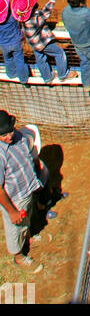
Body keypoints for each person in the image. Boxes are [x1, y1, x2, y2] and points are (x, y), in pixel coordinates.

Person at [0, 110, 50, 272]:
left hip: (26, 190)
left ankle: (28, 237)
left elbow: (29, 154)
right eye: (3, 136)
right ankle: (19, 257)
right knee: (15, 229)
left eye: (9, 132)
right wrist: (11, 211)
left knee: (27, 218)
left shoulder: (19, 136)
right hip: (13, 199)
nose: (8, 137)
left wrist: (37, 167)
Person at [12, 0, 75, 85]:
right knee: (59, 53)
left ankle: (47, 77)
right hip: (43, 43)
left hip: (33, 43)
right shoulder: (37, 17)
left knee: (40, 58)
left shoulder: (21, 20)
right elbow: (48, 9)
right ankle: (63, 74)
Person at [0, 0, 30, 86]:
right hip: (16, 42)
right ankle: (24, 79)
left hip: (4, 45)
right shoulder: (13, 16)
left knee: (8, 59)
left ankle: (12, 74)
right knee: (19, 60)